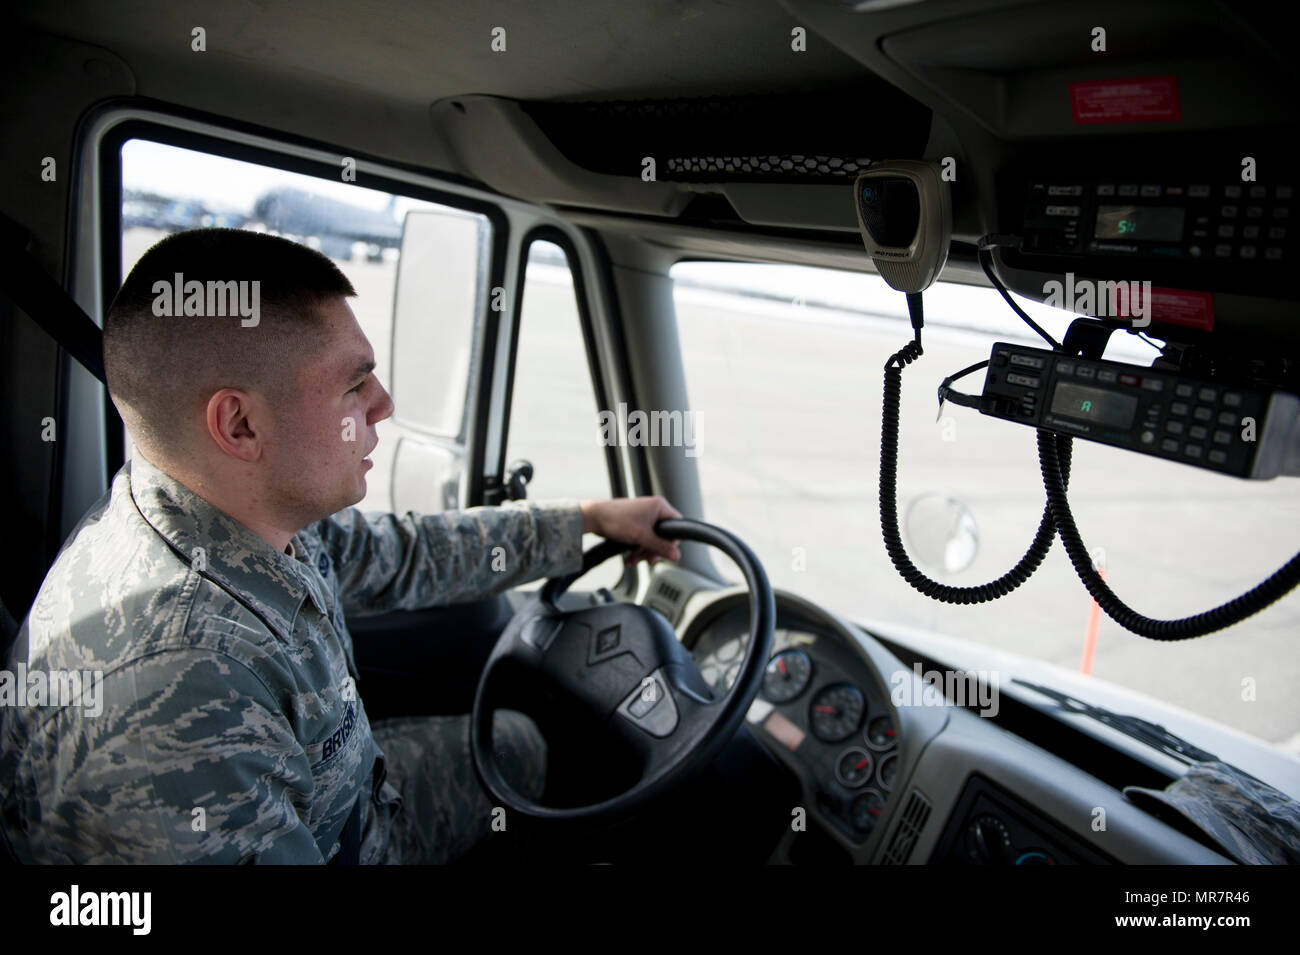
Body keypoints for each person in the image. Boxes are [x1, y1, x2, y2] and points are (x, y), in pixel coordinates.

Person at [0, 228, 682, 863]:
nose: (382, 402)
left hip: (357, 803)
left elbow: (407, 553)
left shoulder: (233, 508)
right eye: (355, 382)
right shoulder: (174, 703)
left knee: (520, 745)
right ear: (239, 424)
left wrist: (590, 519)